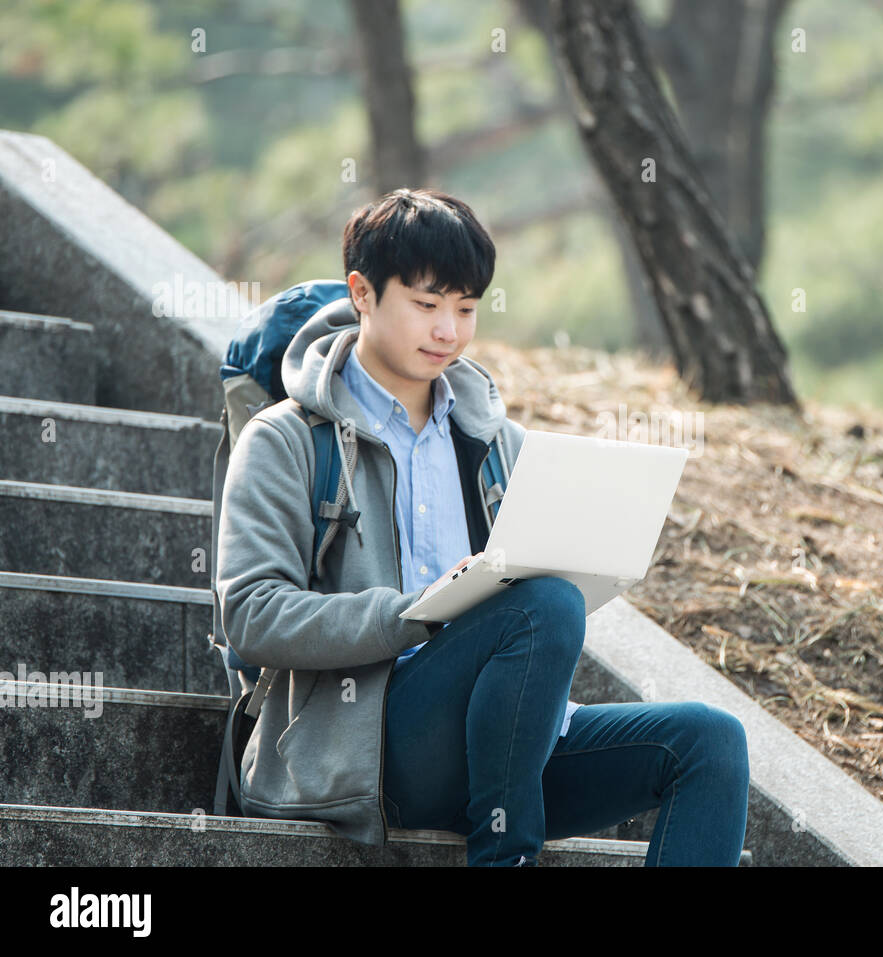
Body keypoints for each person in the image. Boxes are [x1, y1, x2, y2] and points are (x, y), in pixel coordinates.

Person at [216, 187, 750, 866]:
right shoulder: (288, 440)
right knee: (542, 604)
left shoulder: (497, 443)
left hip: (506, 744)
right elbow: (251, 615)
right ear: (363, 293)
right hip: (365, 749)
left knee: (710, 742)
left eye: (466, 309)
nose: (449, 332)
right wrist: (410, 614)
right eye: (427, 304)